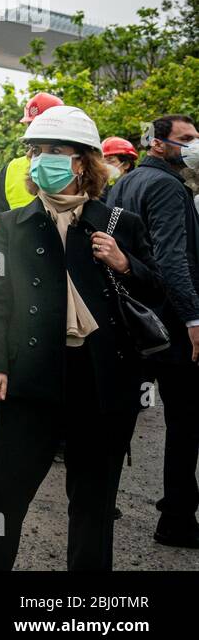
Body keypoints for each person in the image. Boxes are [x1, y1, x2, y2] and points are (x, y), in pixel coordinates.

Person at [0, 106, 162, 570]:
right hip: (29, 380)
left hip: (100, 382)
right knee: (2, 495)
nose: (42, 160)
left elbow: (157, 292)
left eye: (55, 151)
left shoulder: (119, 223)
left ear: (82, 163)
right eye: (36, 151)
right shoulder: (10, 226)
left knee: (93, 505)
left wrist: (124, 264)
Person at [106, 113, 199, 548]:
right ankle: (177, 519)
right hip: (168, 323)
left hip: (133, 317)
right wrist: (194, 318)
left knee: (123, 413)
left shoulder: (125, 183)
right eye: (186, 138)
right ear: (158, 144)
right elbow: (171, 259)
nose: (194, 145)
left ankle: (99, 500)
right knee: (185, 421)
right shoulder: (167, 186)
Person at [0, 91, 63, 216]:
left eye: (40, 125)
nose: (35, 131)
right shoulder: (11, 169)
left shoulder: (74, 166)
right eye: (31, 125)